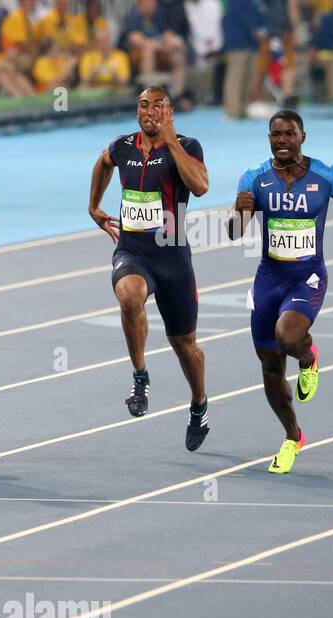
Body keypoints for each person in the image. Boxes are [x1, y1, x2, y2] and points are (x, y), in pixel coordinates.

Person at [228, 110, 333, 474]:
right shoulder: (254, 179)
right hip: (268, 280)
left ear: (303, 136)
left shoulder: (327, 176)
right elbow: (235, 233)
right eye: (274, 135)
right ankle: (292, 437)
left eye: (288, 134)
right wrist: (238, 215)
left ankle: (308, 357)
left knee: (288, 337)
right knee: (269, 367)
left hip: (307, 277)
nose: (280, 140)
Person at [87, 87, 211, 451]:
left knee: (185, 345)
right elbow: (102, 163)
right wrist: (94, 206)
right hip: (133, 250)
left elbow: (201, 187)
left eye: (158, 105)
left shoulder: (188, 146)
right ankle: (140, 375)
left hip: (172, 255)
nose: (150, 111)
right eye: (144, 105)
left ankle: (199, 403)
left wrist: (171, 141)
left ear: (170, 111)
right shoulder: (123, 145)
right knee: (129, 296)